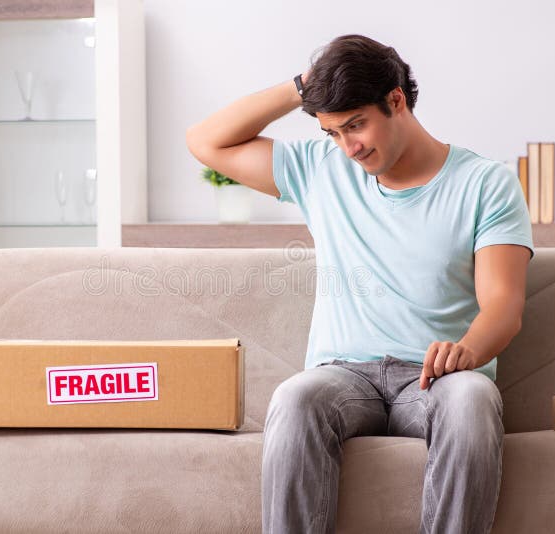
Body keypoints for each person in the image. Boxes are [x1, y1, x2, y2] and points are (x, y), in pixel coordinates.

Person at [186, 34, 533, 534]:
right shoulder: (319, 169)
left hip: (436, 377)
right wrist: (302, 86)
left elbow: (503, 304)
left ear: (396, 100)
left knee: (471, 399)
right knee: (295, 398)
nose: (349, 148)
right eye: (332, 132)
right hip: (344, 376)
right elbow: (205, 142)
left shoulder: (485, 184)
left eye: (355, 125)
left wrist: (467, 351)